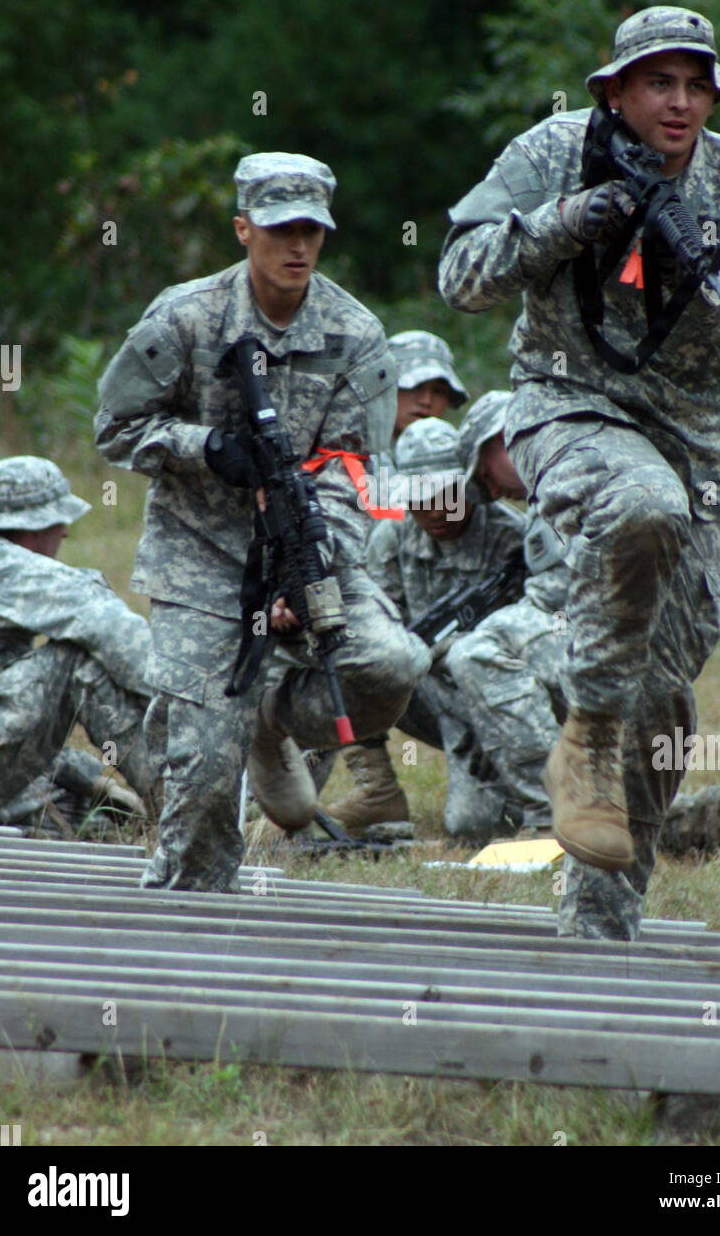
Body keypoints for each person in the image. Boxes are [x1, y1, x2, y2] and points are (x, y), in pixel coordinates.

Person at [439, 6, 720, 938]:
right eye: (661, 82)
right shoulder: (551, 155)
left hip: (700, 452)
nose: (682, 103)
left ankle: (599, 930)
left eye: (698, 86)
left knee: (666, 697)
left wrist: (707, 287)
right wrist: (569, 222)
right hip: (570, 409)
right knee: (639, 504)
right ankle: (587, 739)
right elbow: (461, 275)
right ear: (614, 91)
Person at [95, 152, 429, 891]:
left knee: (390, 665)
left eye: (312, 230)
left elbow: (357, 471)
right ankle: (192, 909)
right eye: (280, 229)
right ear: (244, 229)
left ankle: (269, 714)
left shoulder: (354, 333)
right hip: (202, 557)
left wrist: (312, 565)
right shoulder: (185, 317)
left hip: (311, 549)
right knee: (208, 776)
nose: (298, 246)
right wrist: (206, 448)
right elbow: (115, 428)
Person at [447, 393, 720, 860]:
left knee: (479, 652)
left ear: (509, 434)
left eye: (485, 475)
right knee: (492, 810)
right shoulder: (566, 477)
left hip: (605, 636)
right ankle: (715, 818)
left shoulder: (576, 464)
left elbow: (580, 589)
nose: (491, 491)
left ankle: (550, 821)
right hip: (625, 643)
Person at [311, 330, 468, 821]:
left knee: (481, 817)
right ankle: (370, 789)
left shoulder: (466, 465)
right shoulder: (347, 456)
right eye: (413, 386)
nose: (426, 400)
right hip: (390, 632)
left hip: (465, 656)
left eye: (439, 390)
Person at [352, 416, 526, 840]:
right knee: (350, 667)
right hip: (423, 693)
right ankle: (374, 791)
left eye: (445, 494)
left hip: (499, 701)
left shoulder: (513, 540)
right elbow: (376, 633)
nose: (433, 510)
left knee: (473, 826)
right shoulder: (391, 539)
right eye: (419, 498)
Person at [0, 456, 153, 831]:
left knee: (85, 816)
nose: (66, 534)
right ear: (35, 527)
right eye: (61, 521)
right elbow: (115, 631)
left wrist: (89, 775)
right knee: (75, 661)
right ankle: (194, 808)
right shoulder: (2, 565)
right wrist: (196, 712)